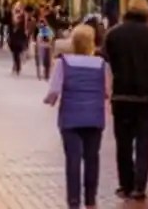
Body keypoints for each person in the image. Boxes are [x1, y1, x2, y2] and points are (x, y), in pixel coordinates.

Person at [102, 0, 148, 201]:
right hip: (146, 98)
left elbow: (106, 61)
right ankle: (139, 185)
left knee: (123, 143)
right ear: (147, 13)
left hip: (122, 96)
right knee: (144, 143)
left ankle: (126, 183)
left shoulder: (114, 34)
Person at [44, 24, 110, 209]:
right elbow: (107, 91)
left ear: (73, 43)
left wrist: (49, 100)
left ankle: (74, 201)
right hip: (94, 118)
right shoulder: (101, 65)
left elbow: (54, 91)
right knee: (92, 158)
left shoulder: (63, 63)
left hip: (71, 118)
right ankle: (91, 200)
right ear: (91, 44)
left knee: (73, 159)